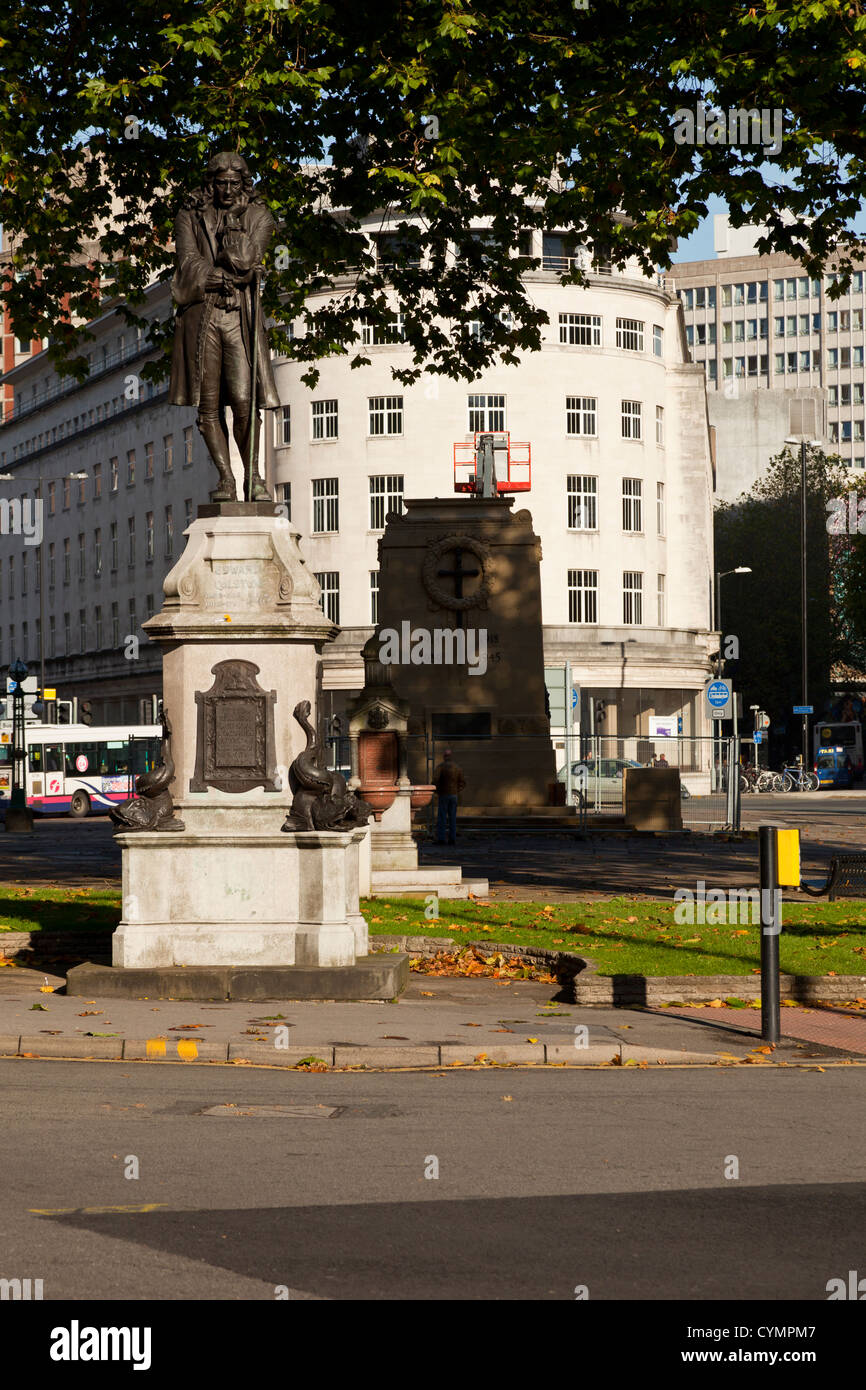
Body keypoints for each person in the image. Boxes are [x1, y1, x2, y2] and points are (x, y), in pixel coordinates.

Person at [433, 749, 465, 845]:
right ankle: (452, 839)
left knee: (442, 817)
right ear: (451, 756)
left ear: (444, 756)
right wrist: (456, 790)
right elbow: (462, 783)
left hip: (443, 795)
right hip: (454, 795)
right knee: (452, 818)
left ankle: (441, 839)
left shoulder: (440, 767)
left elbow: (435, 780)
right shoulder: (457, 768)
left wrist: (437, 791)